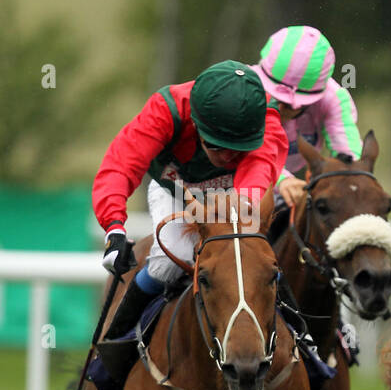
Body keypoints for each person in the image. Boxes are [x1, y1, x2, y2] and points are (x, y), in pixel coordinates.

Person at [94, 59, 289, 342]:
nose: (228, 158)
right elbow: (120, 165)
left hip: (237, 196)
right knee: (169, 261)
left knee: (261, 264)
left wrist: (225, 208)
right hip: (175, 192)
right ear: (195, 124)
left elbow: (256, 179)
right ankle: (114, 351)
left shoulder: (266, 117)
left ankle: (304, 347)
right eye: (216, 146)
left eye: (239, 150)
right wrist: (114, 228)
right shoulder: (165, 109)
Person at [254, 25, 363, 216]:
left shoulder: (335, 98)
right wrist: (282, 181)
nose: (281, 108)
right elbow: (239, 152)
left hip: (291, 176)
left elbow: (350, 162)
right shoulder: (242, 88)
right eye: (275, 98)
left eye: (289, 104)